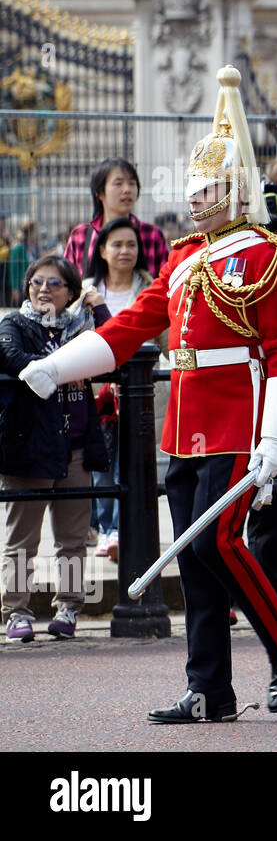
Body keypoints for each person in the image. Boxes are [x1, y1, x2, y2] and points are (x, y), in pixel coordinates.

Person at [21, 66, 277, 720]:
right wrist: (60, 367)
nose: (196, 196)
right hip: (185, 420)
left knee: (220, 544)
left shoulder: (266, 256)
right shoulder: (184, 259)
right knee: (194, 561)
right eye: (193, 186)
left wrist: (275, 440)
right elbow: (130, 329)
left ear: (235, 189)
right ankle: (209, 690)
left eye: (208, 186)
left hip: (240, 415)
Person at [2, 256, 110, 641]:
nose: (43, 289)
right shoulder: (14, 323)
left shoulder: (83, 329)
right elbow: (11, 358)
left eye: (54, 283)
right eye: (36, 282)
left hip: (76, 445)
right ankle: (15, 612)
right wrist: (68, 367)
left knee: (73, 539)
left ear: (71, 293)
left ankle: (69, 607)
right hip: (28, 447)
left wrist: (98, 307)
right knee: (21, 538)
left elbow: (116, 344)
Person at [81, 216, 155, 560]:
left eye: (131, 244)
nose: (125, 251)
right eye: (117, 244)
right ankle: (107, 531)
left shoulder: (150, 286)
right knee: (101, 465)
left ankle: (126, 531)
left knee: (134, 463)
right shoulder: (86, 290)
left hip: (139, 393)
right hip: (98, 396)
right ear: (102, 250)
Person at [64, 158, 169, 278]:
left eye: (132, 183)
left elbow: (166, 285)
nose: (127, 190)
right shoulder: (81, 236)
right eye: (118, 183)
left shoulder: (151, 235)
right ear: (99, 192)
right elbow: (67, 285)